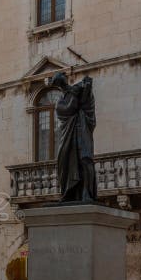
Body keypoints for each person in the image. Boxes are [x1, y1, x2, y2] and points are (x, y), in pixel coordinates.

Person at [51, 72, 97, 202]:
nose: (63, 83)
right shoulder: (60, 102)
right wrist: (77, 91)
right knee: (64, 160)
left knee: (85, 159)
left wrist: (86, 87)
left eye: (63, 80)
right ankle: (69, 191)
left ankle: (87, 192)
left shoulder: (77, 89)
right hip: (68, 135)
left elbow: (86, 103)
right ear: (58, 86)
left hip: (82, 130)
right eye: (60, 82)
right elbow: (69, 108)